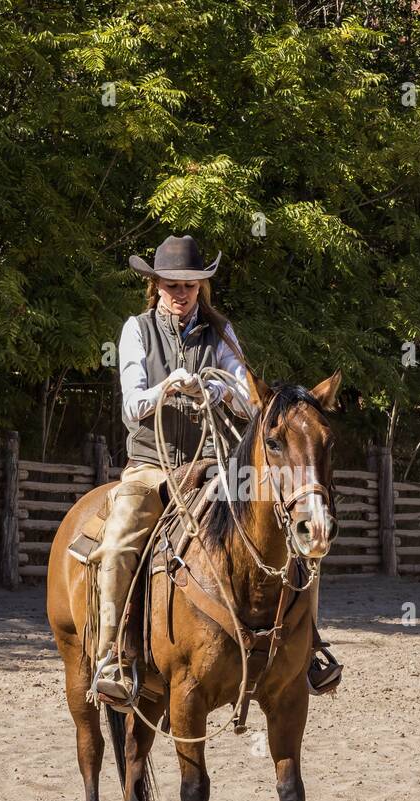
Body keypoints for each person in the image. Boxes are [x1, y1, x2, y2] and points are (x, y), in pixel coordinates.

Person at [89, 234, 342, 705]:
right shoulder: (136, 331)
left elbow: (250, 400)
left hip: (216, 465)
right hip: (152, 465)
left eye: (189, 284)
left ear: (200, 287)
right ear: (156, 285)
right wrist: (170, 386)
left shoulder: (221, 333)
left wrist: (222, 391)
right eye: (171, 284)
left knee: (293, 524)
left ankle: (309, 644)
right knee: (121, 539)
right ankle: (115, 657)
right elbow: (131, 406)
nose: (180, 293)